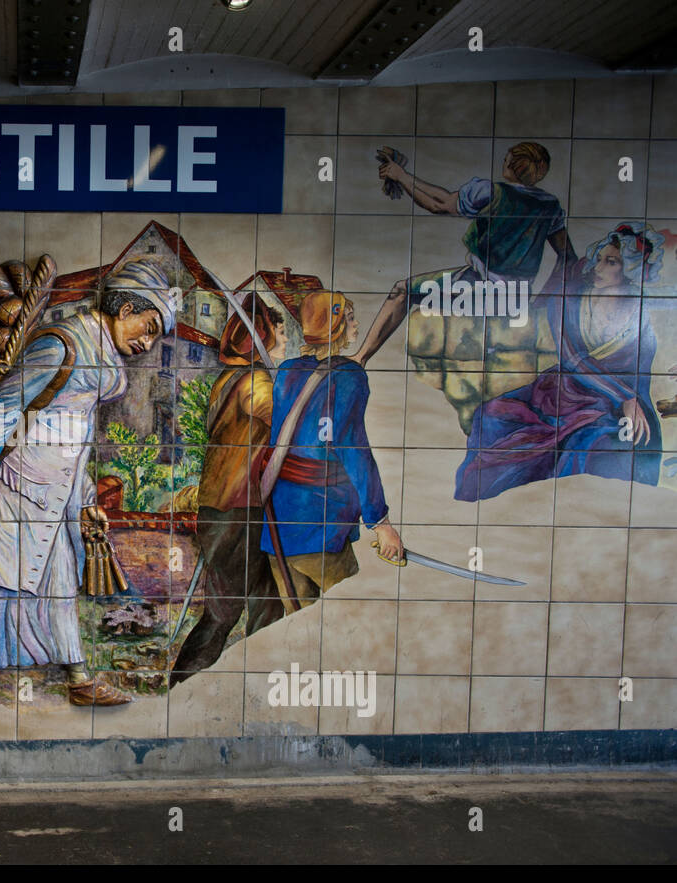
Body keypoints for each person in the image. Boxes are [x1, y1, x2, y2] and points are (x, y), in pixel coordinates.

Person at [0, 257, 176, 706]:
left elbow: (76, 438)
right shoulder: (61, 344)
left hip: (57, 499)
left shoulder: (103, 355)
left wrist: (85, 497)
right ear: (124, 310)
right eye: (147, 327)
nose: (147, 343)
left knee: (60, 589)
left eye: (155, 336)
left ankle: (79, 680)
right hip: (14, 489)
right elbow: (1, 410)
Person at [455, 222, 665, 499]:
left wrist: (626, 399)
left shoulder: (641, 313)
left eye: (611, 262)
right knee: (491, 416)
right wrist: (623, 396)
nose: (598, 267)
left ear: (630, 270)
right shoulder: (569, 299)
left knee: (591, 442)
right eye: (600, 259)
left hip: (613, 403)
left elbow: (639, 374)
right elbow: (572, 358)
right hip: (564, 392)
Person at [354, 142, 576, 364]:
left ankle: (360, 357)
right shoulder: (549, 206)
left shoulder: (491, 192)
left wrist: (402, 177)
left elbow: (438, 204)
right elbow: (568, 256)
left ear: (515, 164)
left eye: (506, 158)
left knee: (402, 291)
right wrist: (543, 299)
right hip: (515, 300)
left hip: (477, 285)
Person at [170, 294, 288, 687]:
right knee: (223, 609)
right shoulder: (254, 381)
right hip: (235, 508)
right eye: (280, 334)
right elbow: (281, 420)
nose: (285, 342)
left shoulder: (229, 377)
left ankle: (255, 679)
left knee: (267, 601)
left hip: (230, 506)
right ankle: (183, 684)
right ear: (263, 339)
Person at [261, 291, 403, 610]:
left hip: (279, 525)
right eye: (349, 318)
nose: (356, 324)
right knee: (347, 617)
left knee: (297, 626)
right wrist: (380, 523)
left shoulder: (288, 372)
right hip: (323, 527)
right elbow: (354, 450)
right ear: (335, 327)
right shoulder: (350, 378)